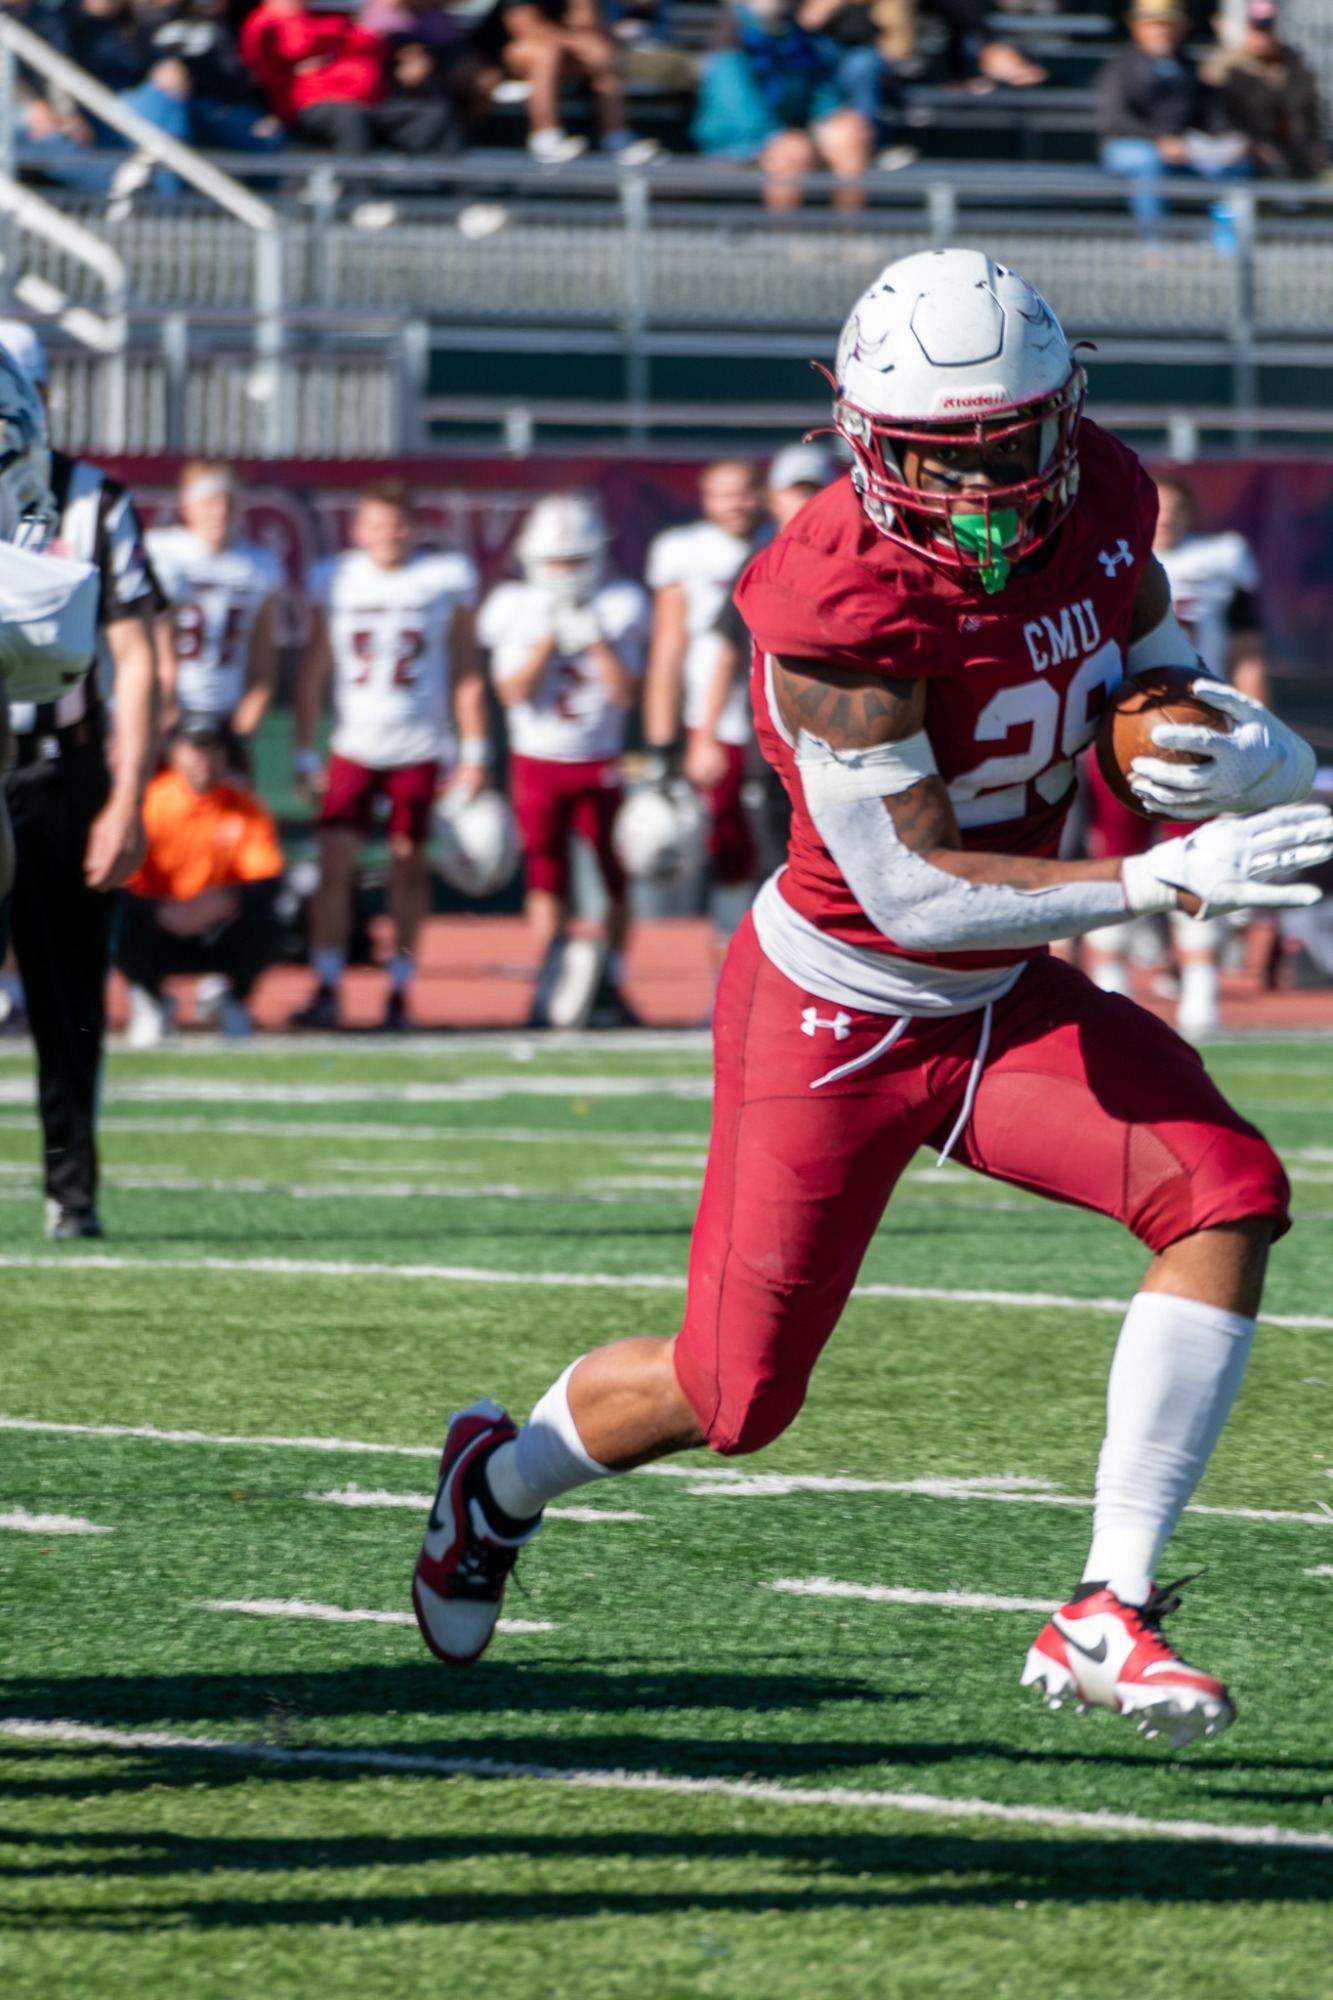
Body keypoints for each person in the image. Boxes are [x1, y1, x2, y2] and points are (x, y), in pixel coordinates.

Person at [411, 248, 1332, 1755]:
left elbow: (1142, 655)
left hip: (998, 1005)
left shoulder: (1097, 489)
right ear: (860, 441)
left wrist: (1193, 737)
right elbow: (911, 893)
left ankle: (1108, 1602)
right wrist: (1166, 878)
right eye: (934, 462)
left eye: (1005, 452)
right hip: (839, 1011)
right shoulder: (830, 599)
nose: (979, 497)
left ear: (1061, 414)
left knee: (1226, 1190)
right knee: (734, 1397)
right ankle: (495, 1485)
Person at [0, 321, 160, 1240]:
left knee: (67, 999)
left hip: (61, 773)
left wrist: (128, 795)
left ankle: (72, 1191)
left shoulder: (95, 499)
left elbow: (137, 655)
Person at [291, 479, 487, 1031]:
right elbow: (314, 670)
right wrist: (306, 753)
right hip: (354, 742)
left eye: (397, 525)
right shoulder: (337, 579)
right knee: (333, 866)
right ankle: (327, 981)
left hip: (419, 744)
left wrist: (474, 750)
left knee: (407, 868)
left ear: (413, 529)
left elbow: (467, 669)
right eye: (375, 525)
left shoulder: (441, 580)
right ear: (358, 531)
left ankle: (400, 988)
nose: (387, 536)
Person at [1084, 470, 1271, 1039]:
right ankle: (1112, 992)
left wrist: (1253, 717)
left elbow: (1245, 648)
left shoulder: (1221, 558)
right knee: (1111, 856)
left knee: (1199, 855)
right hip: (1116, 725)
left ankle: (1201, 995)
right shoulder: (1104, 558)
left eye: (1176, 506)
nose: (1166, 517)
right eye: (1157, 507)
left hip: (1197, 724)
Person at [480, 491, 648, 1027]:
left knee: (614, 872)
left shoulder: (621, 603)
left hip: (600, 757)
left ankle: (614, 976)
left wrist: (595, 642)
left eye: (575, 562)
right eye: (555, 562)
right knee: (545, 873)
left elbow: (625, 693)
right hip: (538, 757)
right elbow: (512, 691)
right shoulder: (514, 606)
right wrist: (551, 639)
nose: (565, 573)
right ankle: (554, 972)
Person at [643, 458, 768, 975]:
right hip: (714, 722)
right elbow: (669, 648)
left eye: (744, 492)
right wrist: (664, 739)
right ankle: (728, 977)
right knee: (727, 850)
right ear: (703, 499)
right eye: (723, 493)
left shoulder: (782, 538)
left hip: (777, 717)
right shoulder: (683, 551)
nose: (735, 504)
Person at [117, 709, 285, 1044]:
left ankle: (233, 1000)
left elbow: (268, 876)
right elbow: (121, 881)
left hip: (216, 929)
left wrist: (223, 900)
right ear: (174, 753)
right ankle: (150, 998)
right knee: (114, 919)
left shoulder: (243, 806)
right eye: (194, 748)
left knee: (271, 919)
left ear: (227, 756)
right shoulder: (150, 803)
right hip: (161, 927)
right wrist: (160, 910)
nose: (203, 759)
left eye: (213, 749)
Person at [147, 459, 285, 771]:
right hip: (166, 713)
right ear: (187, 506)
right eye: (210, 502)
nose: (220, 512)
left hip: (226, 717)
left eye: (229, 502)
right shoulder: (163, 552)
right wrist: (161, 710)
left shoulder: (258, 566)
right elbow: (152, 641)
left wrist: (248, 718)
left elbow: (264, 659)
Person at [692, 0, 875, 211]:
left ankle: (850, 236)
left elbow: (819, 86)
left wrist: (834, 114)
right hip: (738, 141)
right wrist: (773, 136)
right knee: (792, 153)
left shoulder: (793, 30)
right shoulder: (732, 31)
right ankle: (784, 237)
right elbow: (736, 105)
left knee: (848, 137)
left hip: (793, 132)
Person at [1096, 0, 1248, 236]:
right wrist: (1158, 139)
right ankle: (1155, 245)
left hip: (1180, 147)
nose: (1162, 31)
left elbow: (1207, 115)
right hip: (1128, 145)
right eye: (1154, 24)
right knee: (1148, 162)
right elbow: (1114, 118)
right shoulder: (1120, 65)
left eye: (1168, 24)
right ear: (1137, 27)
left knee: (1231, 166)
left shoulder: (1187, 66)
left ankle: (1226, 245)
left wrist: (1230, 139)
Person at [240, 0, 458, 155]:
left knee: (435, 114)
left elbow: (374, 45)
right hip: (311, 108)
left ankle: (464, 202)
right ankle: (358, 201)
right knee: (348, 119)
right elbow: (289, 49)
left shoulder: (339, 20)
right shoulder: (267, 23)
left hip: (371, 104)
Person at [471, 0, 658, 164]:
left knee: (602, 56)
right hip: (502, 59)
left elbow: (588, 26)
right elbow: (525, 27)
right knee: (545, 54)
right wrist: (578, 44)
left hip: (562, 55)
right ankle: (545, 137)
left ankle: (616, 137)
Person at [1201, 0, 1323, 181]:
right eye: (1257, 30)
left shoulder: (1292, 64)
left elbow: (1305, 111)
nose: (1263, 37)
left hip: (1292, 146)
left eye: (1268, 30)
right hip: (1245, 147)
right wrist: (1252, 142)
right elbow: (1220, 112)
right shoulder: (1228, 65)